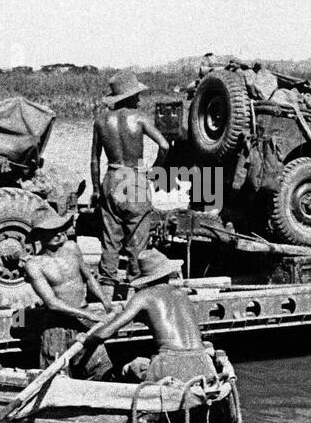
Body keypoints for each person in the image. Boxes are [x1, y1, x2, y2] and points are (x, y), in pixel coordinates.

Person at [83, 249, 218, 385]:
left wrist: (86, 339)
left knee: (131, 367)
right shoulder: (183, 295)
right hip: (203, 364)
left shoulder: (144, 296)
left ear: (146, 277)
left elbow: (104, 334)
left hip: (170, 366)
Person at [91, 69, 168, 285]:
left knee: (110, 239)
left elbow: (94, 160)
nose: (140, 98)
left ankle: (106, 290)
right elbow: (164, 145)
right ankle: (136, 288)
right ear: (131, 96)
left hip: (111, 178)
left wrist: (97, 190)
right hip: (134, 179)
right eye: (137, 95)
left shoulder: (101, 121)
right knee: (138, 242)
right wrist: (153, 171)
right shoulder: (139, 118)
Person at [22, 207, 115, 380]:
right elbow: (51, 303)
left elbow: (89, 278)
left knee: (101, 372)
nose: (59, 233)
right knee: (56, 378)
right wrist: (89, 315)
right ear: (40, 235)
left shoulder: (72, 248)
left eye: (60, 228)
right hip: (56, 327)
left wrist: (106, 302)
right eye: (52, 230)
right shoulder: (35, 265)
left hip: (83, 323)